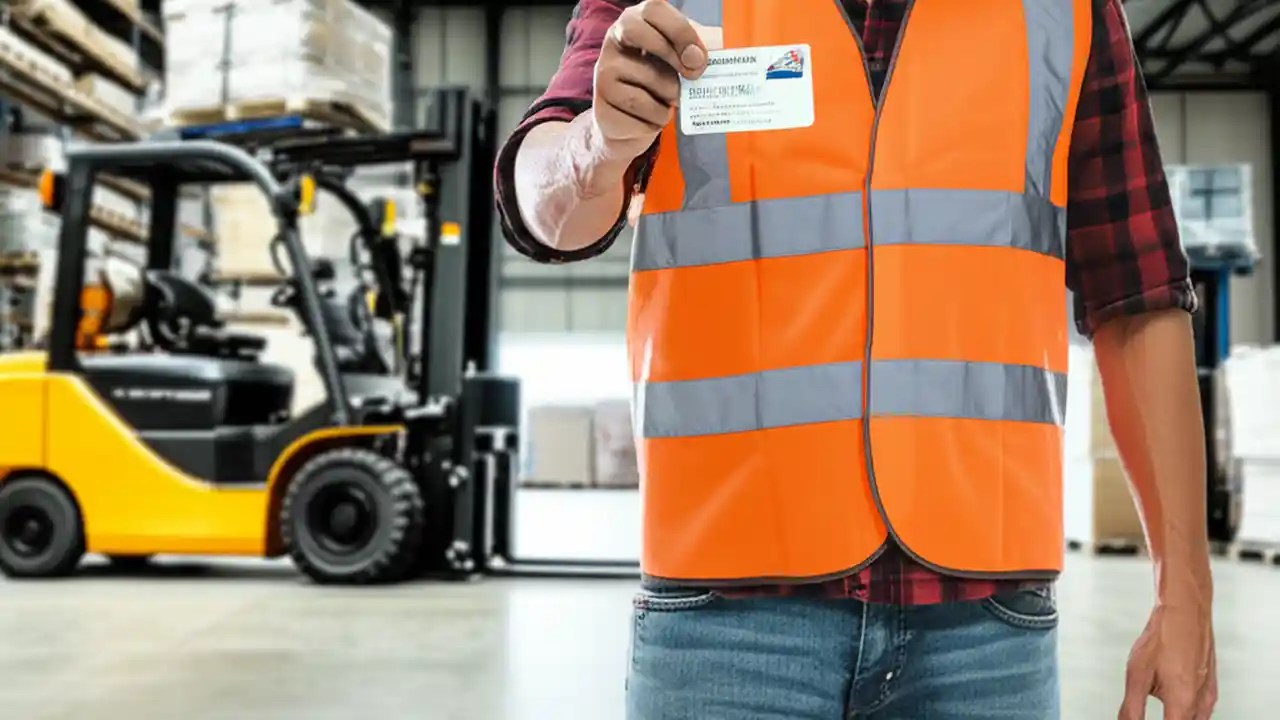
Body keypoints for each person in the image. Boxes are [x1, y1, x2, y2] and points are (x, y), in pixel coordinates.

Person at [496, 1, 1217, 718]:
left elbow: (1139, 294)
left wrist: (1183, 596)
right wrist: (597, 146)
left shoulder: (1065, 11)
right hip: (725, 620)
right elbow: (543, 204)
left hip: (985, 629)